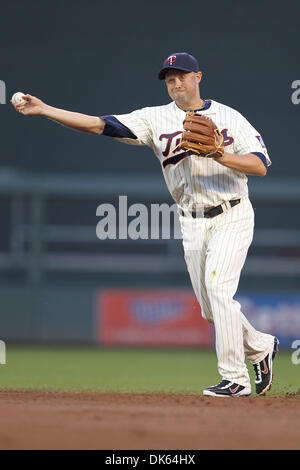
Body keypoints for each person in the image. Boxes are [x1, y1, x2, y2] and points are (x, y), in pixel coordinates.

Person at [12, 52, 279, 397]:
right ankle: (259, 346)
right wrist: (46, 109)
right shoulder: (154, 118)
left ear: (198, 77)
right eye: (169, 78)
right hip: (192, 222)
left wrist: (220, 154)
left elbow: (260, 166)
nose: (175, 82)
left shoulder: (230, 117)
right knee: (212, 310)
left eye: (182, 75)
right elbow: (98, 124)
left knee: (219, 290)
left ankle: (235, 379)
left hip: (232, 214)